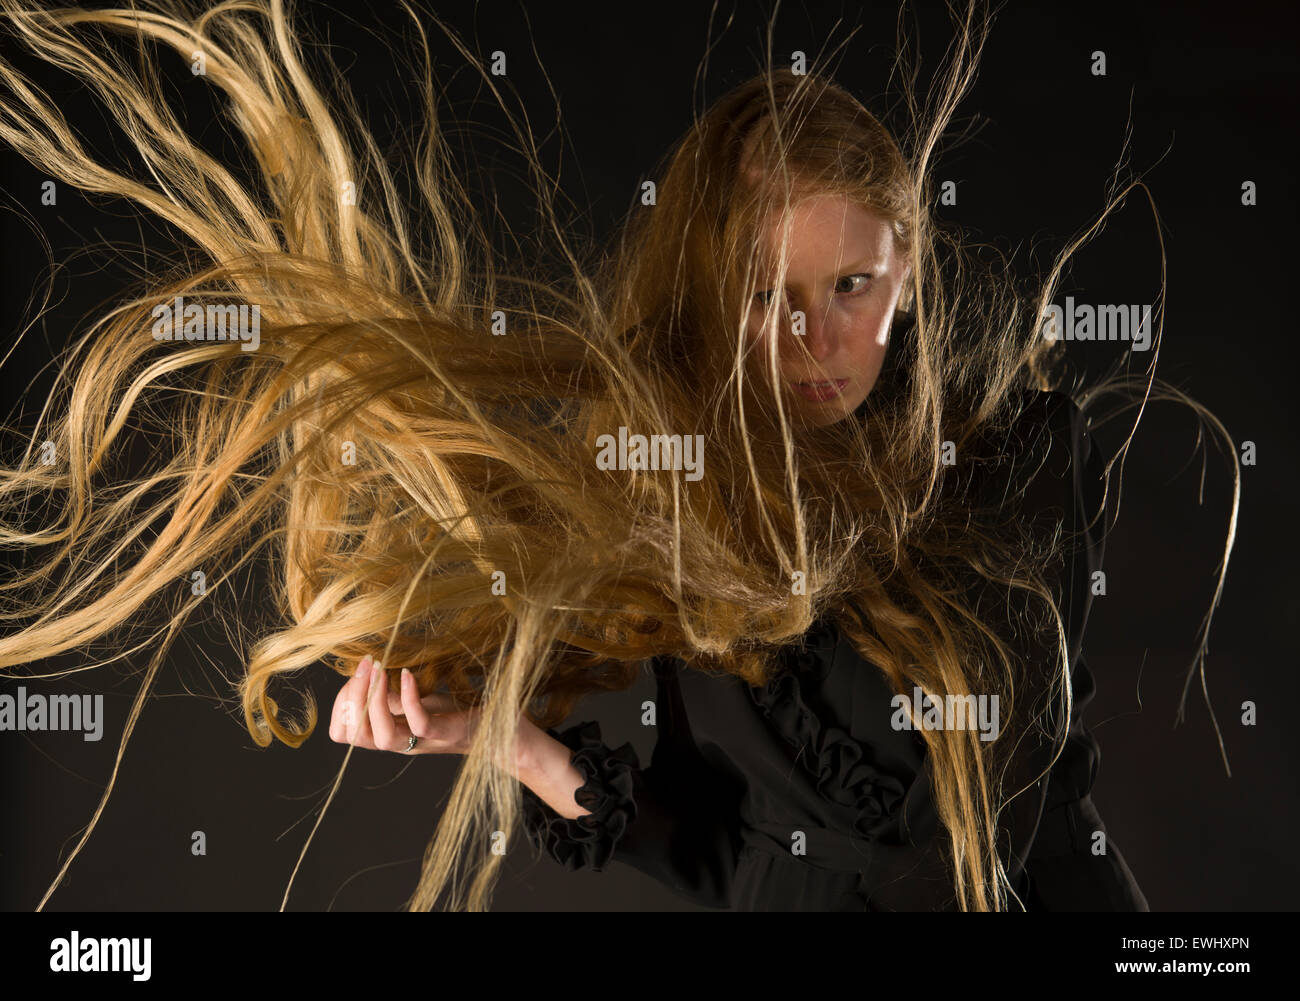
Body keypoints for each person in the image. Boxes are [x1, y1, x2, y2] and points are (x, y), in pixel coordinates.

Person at [0, 1, 1227, 913]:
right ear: (705, 293)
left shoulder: (1016, 464)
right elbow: (709, 845)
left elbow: (963, 845)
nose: (815, 340)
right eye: (764, 295)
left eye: (852, 284)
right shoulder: (669, 493)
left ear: (907, 269)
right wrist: (499, 737)